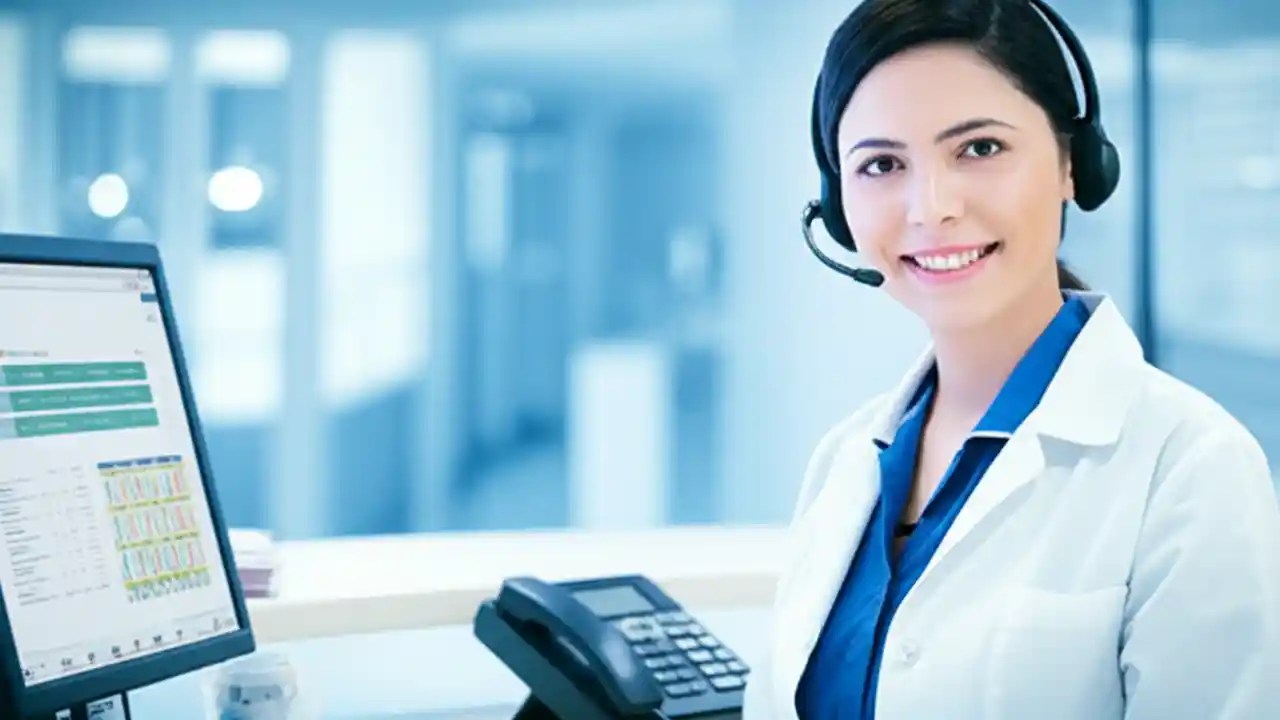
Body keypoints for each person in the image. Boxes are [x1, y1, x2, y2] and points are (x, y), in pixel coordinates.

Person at [742, 0, 1280, 718]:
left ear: (1073, 164)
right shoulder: (843, 461)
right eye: (880, 164)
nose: (930, 207)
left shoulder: (1190, 467)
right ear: (838, 208)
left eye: (980, 149)